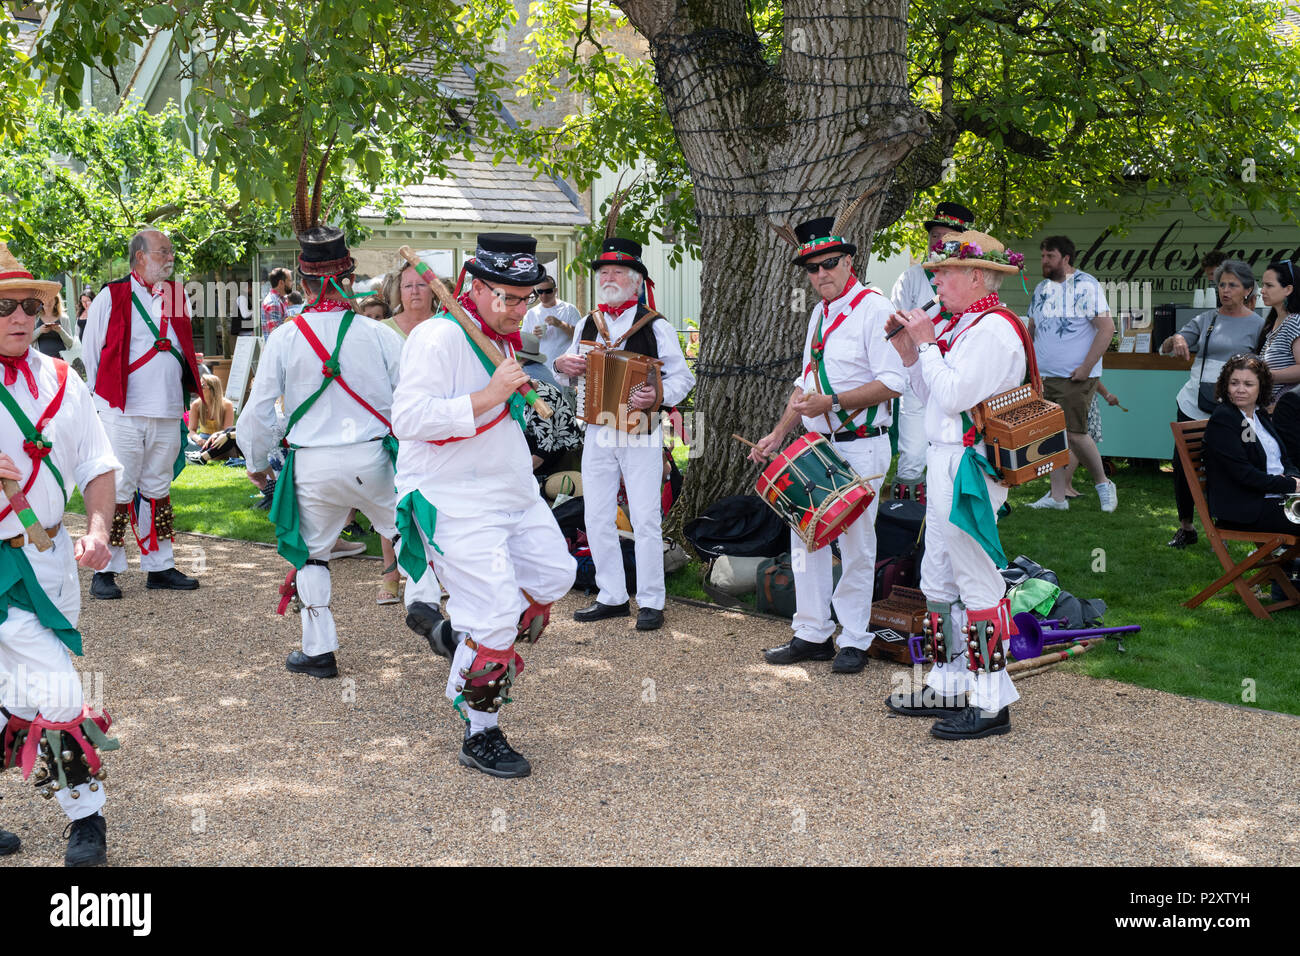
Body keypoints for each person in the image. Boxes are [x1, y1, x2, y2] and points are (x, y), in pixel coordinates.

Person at [393, 232, 576, 778]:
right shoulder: (436, 338)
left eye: (527, 298)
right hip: (452, 498)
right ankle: (481, 732)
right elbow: (408, 420)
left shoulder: (502, 336)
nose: (519, 310)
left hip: (511, 491)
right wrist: (492, 394)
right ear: (475, 288)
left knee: (554, 576)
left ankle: (461, 640)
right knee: (497, 617)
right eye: (508, 298)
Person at [237, 155, 403, 679]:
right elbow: (410, 403)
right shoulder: (380, 335)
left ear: (303, 282)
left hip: (312, 467)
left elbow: (259, 412)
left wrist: (258, 462)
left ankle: (319, 652)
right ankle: (435, 621)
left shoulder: (284, 338)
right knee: (409, 535)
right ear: (348, 277)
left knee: (312, 556)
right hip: (376, 459)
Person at [0, 244, 124, 866]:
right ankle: (87, 817)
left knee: (22, 692)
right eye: (4, 306)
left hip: (46, 557)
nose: (20, 316)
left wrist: (100, 530)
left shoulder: (62, 380)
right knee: (56, 684)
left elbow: (97, 464)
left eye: (29, 305)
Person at [882, 230, 1029, 740]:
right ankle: (948, 683)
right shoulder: (966, 323)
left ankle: (992, 701)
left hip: (970, 466)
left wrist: (925, 344)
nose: (935, 279)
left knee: (977, 580)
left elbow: (952, 397)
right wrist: (910, 352)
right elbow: (926, 390)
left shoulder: (995, 330)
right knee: (938, 580)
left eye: (944, 271)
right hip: (948, 461)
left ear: (975, 276)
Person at [749, 214, 905, 673]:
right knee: (807, 540)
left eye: (829, 264)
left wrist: (832, 401)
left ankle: (855, 637)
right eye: (812, 268)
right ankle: (812, 632)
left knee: (857, 544)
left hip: (862, 444)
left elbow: (894, 382)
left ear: (849, 261)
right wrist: (779, 434)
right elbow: (805, 384)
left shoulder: (876, 310)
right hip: (817, 443)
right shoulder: (820, 312)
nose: (821, 275)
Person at [555, 236, 695, 631]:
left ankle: (652, 601)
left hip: (640, 431)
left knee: (646, 517)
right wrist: (561, 365)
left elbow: (683, 376)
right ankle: (612, 595)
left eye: (617, 271)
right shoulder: (588, 322)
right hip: (597, 429)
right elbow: (566, 368)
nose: (608, 277)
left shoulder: (655, 325)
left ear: (636, 281)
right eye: (603, 271)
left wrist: (659, 394)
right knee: (597, 515)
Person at [81, 229, 205, 598]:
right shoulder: (111, 295)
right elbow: (92, 350)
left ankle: (159, 565)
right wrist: (100, 400)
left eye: (171, 252)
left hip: (167, 409)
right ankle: (105, 568)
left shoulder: (176, 294)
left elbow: (182, 346)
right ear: (140, 257)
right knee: (118, 487)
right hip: (122, 409)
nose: (170, 258)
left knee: (158, 488)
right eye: (162, 252)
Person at [1159, 260, 1265, 548]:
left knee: (1233, 463)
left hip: (1233, 409)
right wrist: (1177, 339)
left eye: (1232, 285)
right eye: (1221, 284)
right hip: (1193, 402)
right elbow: (1169, 345)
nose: (1225, 290)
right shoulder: (1207, 319)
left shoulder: (1259, 325)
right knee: (1183, 464)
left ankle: (1232, 525)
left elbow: (1262, 369)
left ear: (1247, 289)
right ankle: (1186, 527)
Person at [888, 201, 975, 503]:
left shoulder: (975, 279)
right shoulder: (912, 277)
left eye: (943, 235)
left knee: (955, 437)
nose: (935, 241)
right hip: (920, 369)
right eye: (933, 235)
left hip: (958, 372)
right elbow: (896, 324)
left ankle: (955, 497)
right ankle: (908, 514)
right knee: (913, 444)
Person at [1025, 235, 1118, 512]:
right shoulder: (1041, 288)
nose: (1044, 261)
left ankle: (1103, 483)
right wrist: (1028, 368)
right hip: (1044, 376)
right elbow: (1031, 330)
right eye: (1042, 256)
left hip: (1075, 376)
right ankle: (1057, 497)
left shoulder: (1085, 286)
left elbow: (1107, 329)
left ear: (1066, 258)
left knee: (1075, 434)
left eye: (1049, 256)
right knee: (1051, 435)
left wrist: (1087, 368)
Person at [1203, 354, 1300, 533]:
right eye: (1234, 383)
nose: (1240, 389)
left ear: (1260, 388)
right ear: (1226, 386)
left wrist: (1295, 479)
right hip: (1247, 506)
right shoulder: (1224, 419)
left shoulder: (1259, 415)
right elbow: (1244, 474)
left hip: (1277, 495)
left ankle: (1285, 560)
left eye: (1248, 384)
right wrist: (1291, 485)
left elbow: (1284, 459)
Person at [1256, 260, 1300, 405]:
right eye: (1263, 285)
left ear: (1288, 289)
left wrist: (1265, 375)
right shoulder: (1273, 323)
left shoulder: (1294, 322)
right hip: (1271, 409)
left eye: (1269, 285)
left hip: (1286, 413)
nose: (1262, 290)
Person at [524, 278, 581, 367]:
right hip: (542, 368)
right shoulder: (531, 313)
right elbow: (524, 346)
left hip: (566, 367)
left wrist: (560, 324)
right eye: (540, 291)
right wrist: (533, 336)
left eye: (548, 291)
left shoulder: (569, 309)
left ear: (555, 291)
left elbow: (580, 337)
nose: (544, 295)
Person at [187, 373, 234, 447]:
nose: (198, 388)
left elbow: (227, 431)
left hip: (220, 438)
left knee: (228, 444)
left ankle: (205, 452)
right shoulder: (196, 404)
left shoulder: (227, 405)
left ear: (213, 389)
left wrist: (215, 439)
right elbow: (191, 430)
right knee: (187, 442)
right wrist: (198, 439)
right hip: (203, 439)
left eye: (202, 386)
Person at [32, 295, 74, 359]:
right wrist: (40, 330)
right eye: (45, 299)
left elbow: (70, 344)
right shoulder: (35, 318)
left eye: (51, 299)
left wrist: (60, 331)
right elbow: (28, 340)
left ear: (56, 302)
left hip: (61, 360)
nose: (48, 302)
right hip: (41, 360)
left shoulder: (64, 318)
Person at [260, 267, 293, 338]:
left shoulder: (279, 300)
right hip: (278, 348)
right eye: (290, 281)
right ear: (281, 282)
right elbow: (276, 334)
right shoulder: (273, 303)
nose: (292, 283)